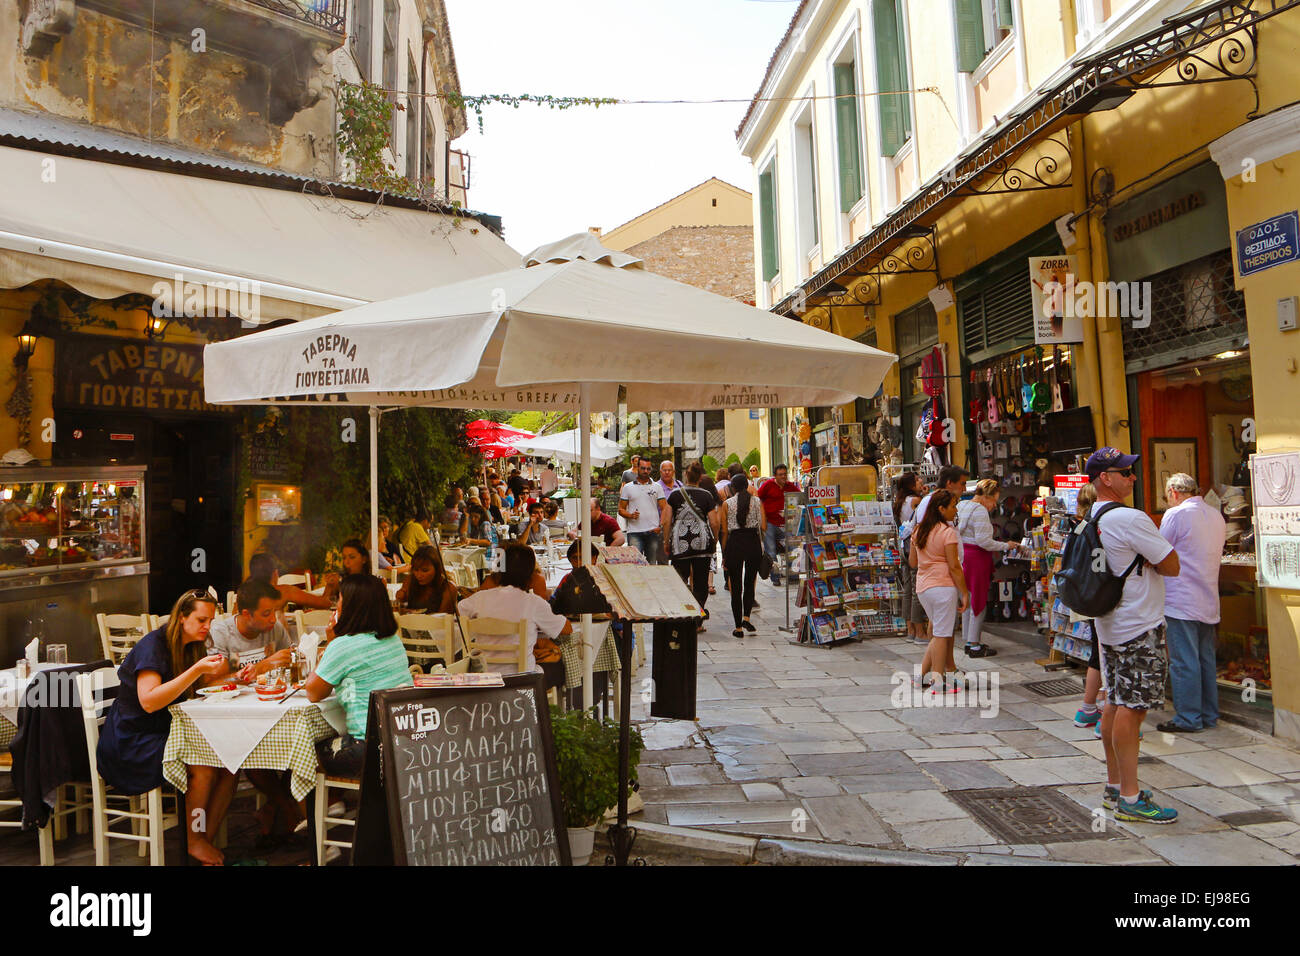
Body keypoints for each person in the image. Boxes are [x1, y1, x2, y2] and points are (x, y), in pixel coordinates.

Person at [95, 589, 231, 865]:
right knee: (203, 765)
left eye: (210, 621)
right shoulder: (154, 645)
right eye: (202, 620)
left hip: (163, 733)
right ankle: (194, 841)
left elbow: (198, 687)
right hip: (132, 742)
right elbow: (148, 700)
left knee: (231, 764)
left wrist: (237, 677)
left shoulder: (190, 644)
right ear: (182, 617)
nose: (208, 627)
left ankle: (203, 839)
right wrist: (196, 670)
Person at [1086, 447, 1181, 825]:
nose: (1133, 476)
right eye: (1125, 472)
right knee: (1134, 707)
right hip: (1138, 624)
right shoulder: (1130, 518)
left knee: (1114, 702)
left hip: (1109, 624)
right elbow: (1171, 564)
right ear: (1105, 479)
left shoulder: (1091, 517)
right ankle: (1130, 796)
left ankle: (1114, 787)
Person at [305, 574, 413, 776]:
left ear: (351, 607)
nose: (336, 605)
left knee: (306, 753)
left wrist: (331, 643)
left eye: (339, 599)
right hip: (402, 741)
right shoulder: (393, 640)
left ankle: (324, 803)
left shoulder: (343, 645)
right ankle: (339, 801)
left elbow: (313, 692)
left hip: (368, 749)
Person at [1157, 472, 1226, 734]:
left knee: (1184, 660)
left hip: (1181, 598)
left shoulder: (1176, 515)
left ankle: (1188, 718)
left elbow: (1160, 552)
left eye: (1168, 497)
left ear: (1174, 492)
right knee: (1205, 659)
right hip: (1208, 597)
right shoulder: (1215, 515)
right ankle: (1208, 714)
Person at [457, 544, 572, 673]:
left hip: (485, 677)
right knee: (559, 666)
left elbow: (458, 612)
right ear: (531, 574)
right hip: (521, 678)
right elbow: (567, 629)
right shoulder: (534, 603)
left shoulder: (479, 598)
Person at [910, 489, 969, 692]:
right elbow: (954, 566)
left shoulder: (918, 531)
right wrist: (965, 592)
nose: (955, 510)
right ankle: (937, 681)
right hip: (943, 587)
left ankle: (921, 678)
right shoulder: (947, 533)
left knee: (937, 633)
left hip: (924, 587)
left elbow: (913, 561)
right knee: (942, 635)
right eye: (953, 506)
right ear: (941, 509)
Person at [956, 478, 1015, 658]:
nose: (994, 506)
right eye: (994, 501)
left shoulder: (962, 505)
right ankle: (974, 644)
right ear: (986, 497)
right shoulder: (980, 510)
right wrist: (1006, 545)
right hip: (977, 558)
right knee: (978, 602)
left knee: (967, 600)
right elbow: (983, 541)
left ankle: (968, 640)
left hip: (963, 556)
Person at [1069, 482, 1108, 734]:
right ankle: (1107, 713)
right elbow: (1100, 564)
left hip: (1084, 594)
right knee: (1105, 653)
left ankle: (1088, 709)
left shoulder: (1078, 526)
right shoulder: (1096, 528)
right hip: (1100, 596)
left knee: (1097, 652)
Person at [666, 462, 720, 631]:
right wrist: (714, 539)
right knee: (701, 583)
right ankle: (697, 619)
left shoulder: (674, 495)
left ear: (686, 476)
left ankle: (683, 617)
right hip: (701, 543)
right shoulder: (706, 495)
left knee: (680, 581)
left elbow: (666, 520)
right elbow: (714, 521)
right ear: (700, 478)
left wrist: (666, 540)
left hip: (679, 544)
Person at [720, 472, 765, 638]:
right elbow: (764, 525)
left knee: (736, 586)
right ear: (747, 486)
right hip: (752, 541)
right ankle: (747, 617)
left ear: (732, 488)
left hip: (735, 542)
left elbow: (724, 531)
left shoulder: (727, 504)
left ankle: (738, 627)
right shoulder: (757, 501)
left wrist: (724, 553)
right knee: (750, 581)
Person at [893, 472, 926, 645]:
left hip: (902, 546)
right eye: (917, 479)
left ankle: (910, 630)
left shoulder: (900, 502)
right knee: (916, 589)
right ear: (910, 485)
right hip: (913, 547)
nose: (921, 481)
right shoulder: (916, 501)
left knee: (907, 589)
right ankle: (920, 632)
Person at [620, 456, 669, 563]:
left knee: (651, 565)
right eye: (643, 468)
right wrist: (630, 515)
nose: (645, 471)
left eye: (648, 469)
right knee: (635, 565)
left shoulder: (657, 487)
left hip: (652, 532)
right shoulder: (628, 487)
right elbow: (621, 509)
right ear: (637, 468)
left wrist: (660, 526)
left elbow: (665, 508)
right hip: (634, 532)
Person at [247, 552, 334, 611]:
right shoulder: (284, 591)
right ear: (275, 573)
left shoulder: (244, 593)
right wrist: (329, 587)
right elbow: (325, 604)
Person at [757, 463, 798, 586]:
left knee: (792, 548)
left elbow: (801, 497)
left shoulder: (791, 487)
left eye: (785, 474)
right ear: (775, 476)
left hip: (787, 523)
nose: (783, 477)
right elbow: (757, 499)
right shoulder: (768, 485)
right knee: (771, 550)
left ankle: (793, 574)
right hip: (770, 522)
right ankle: (775, 577)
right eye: (780, 475)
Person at [394, 544, 459, 613]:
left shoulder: (449, 588)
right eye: (416, 570)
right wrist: (400, 600)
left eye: (425, 570)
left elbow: (442, 619)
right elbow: (399, 608)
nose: (419, 575)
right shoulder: (410, 581)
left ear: (437, 569)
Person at [463, 501, 499, 570]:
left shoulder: (485, 524)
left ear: (481, 517)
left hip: (490, 559)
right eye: (472, 517)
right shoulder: (477, 526)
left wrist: (470, 540)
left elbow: (488, 542)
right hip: (483, 556)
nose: (473, 519)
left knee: (466, 564)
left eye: (476, 517)